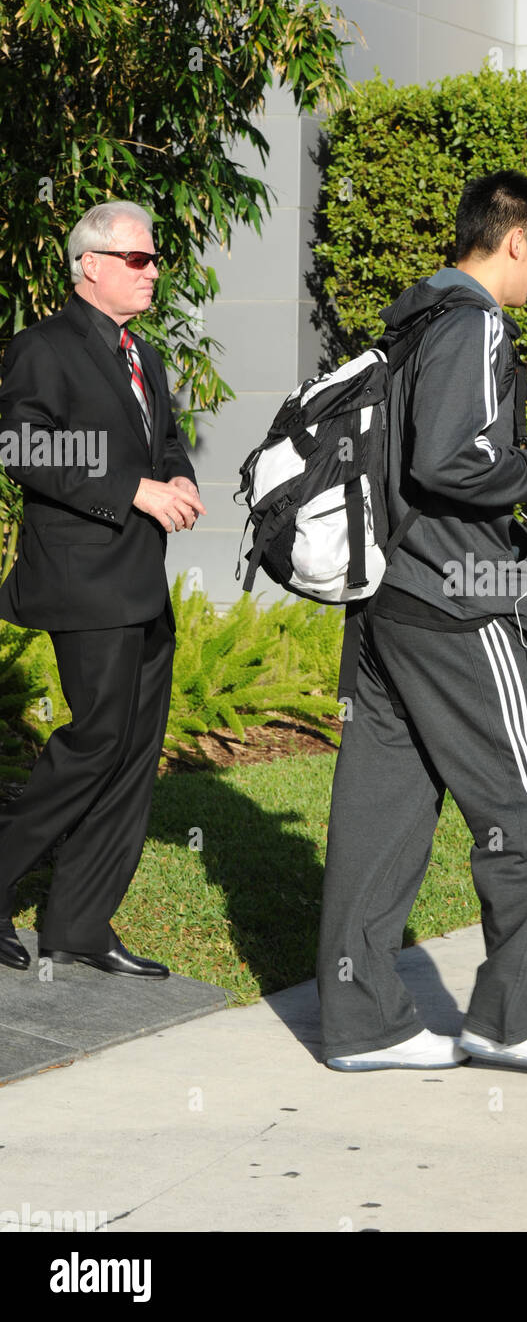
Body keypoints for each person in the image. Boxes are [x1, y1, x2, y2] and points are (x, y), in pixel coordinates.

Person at [316, 170, 527, 1075]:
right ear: (516, 238)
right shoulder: (477, 321)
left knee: (381, 811)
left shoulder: (413, 317)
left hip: (385, 603)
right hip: (458, 596)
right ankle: (507, 1017)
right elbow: (453, 461)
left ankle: (364, 1025)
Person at [0, 200, 205, 976]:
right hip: (84, 582)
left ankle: (81, 924)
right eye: (137, 259)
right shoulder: (43, 347)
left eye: (154, 259)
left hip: (140, 583)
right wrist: (133, 490)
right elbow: (21, 445)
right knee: (92, 744)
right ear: (89, 265)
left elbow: (166, 437)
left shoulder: (141, 354)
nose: (152, 271)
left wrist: (177, 474)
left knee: (129, 754)